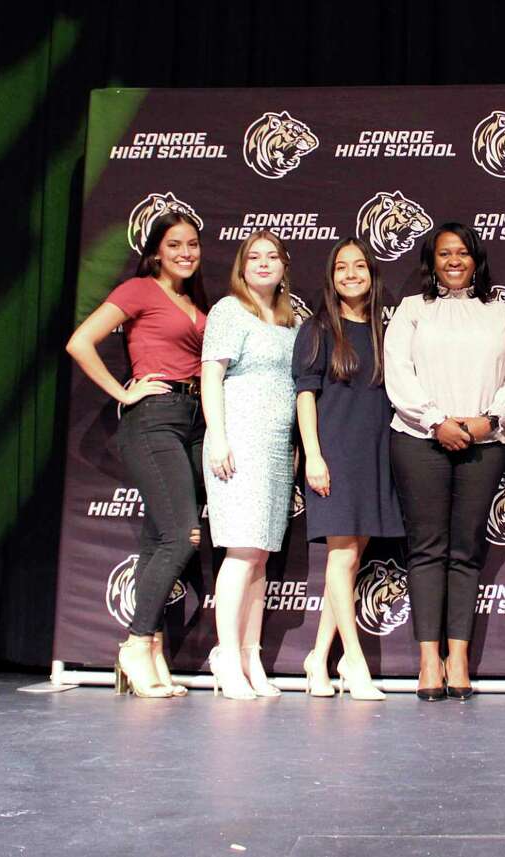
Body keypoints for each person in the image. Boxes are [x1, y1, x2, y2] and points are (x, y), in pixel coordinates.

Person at [384, 223, 505, 700]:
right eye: (444, 253)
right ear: (431, 260)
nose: (453, 261)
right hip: (420, 439)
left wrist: (488, 421)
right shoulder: (411, 310)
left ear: (475, 259)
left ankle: (459, 658)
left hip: (485, 442)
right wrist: (435, 421)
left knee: (465, 552)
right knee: (427, 550)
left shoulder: (500, 312)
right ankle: (429, 661)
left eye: (462, 253)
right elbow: (399, 373)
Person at [66, 212, 207, 698]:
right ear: (156, 250)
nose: (186, 252)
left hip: (193, 421)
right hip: (154, 419)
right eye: (174, 245)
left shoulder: (192, 300)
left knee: (158, 539)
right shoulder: (139, 290)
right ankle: (135, 641)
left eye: (192, 244)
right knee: (181, 536)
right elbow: (79, 342)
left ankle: (150, 651)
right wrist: (123, 394)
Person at [292, 238, 404, 701]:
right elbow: (304, 395)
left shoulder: (384, 329)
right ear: (331, 276)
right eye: (342, 267)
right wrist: (314, 455)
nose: (351, 274)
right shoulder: (317, 329)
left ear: (371, 273)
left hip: (375, 453)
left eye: (360, 265)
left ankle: (317, 658)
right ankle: (353, 662)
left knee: (351, 560)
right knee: (341, 559)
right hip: (333, 454)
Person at [200, 230, 298, 700]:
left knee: (259, 556)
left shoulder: (290, 320)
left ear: (284, 266)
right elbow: (211, 375)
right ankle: (225, 656)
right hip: (238, 442)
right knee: (241, 551)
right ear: (241, 266)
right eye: (253, 257)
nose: (263, 263)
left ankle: (250, 655)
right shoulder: (227, 311)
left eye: (271, 257)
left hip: (278, 448)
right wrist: (217, 438)